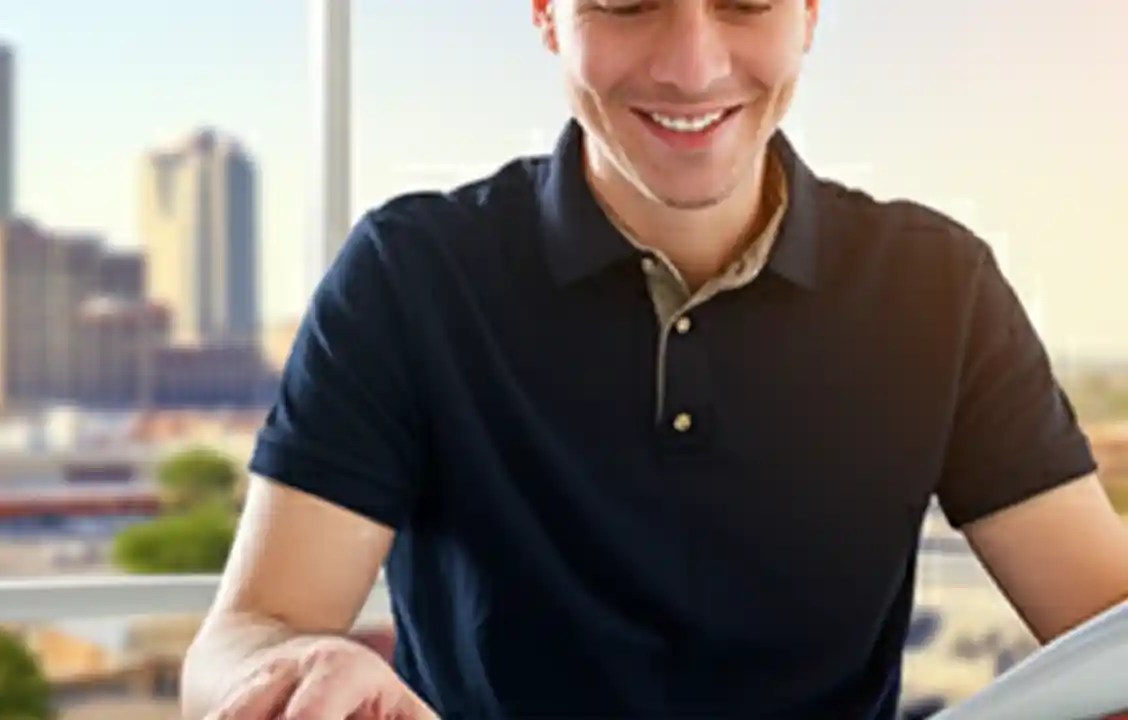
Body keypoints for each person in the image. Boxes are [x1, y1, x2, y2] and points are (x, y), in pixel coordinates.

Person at [181, 1, 1128, 718]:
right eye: (628, 2)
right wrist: (293, 672)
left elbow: (1110, 635)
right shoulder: (409, 275)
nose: (691, 67)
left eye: (746, 1)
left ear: (809, 13)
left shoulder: (938, 288)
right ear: (548, 14)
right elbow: (247, 636)